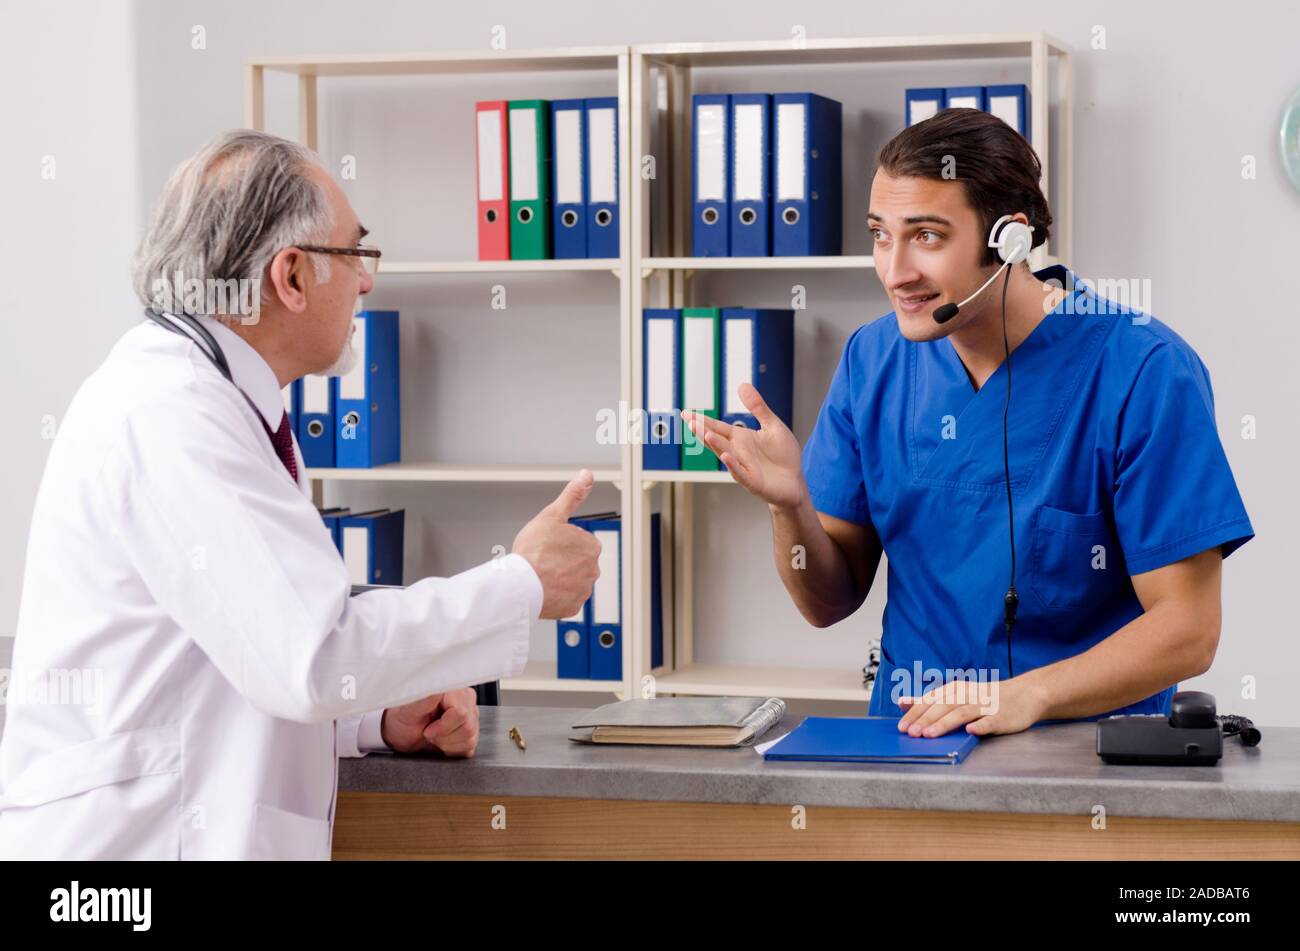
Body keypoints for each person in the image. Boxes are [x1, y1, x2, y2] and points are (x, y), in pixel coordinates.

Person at [0, 129, 601, 859]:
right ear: (291, 276)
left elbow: (241, 653)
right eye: (356, 254)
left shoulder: (218, 402)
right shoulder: (171, 414)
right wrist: (523, 583)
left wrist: (376, 720)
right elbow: (310, 656)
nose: (368, 281)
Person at [685, 108, 1253, 740]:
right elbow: (827, 602)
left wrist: (1025, 696)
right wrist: (789, 506)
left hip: (1090, 760)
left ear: (1010, 238)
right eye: (880, 234)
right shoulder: (872, 360)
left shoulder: (1144, 370)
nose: (895, 271)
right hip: (911, 746)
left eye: (927, 236)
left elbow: (1188, 632)